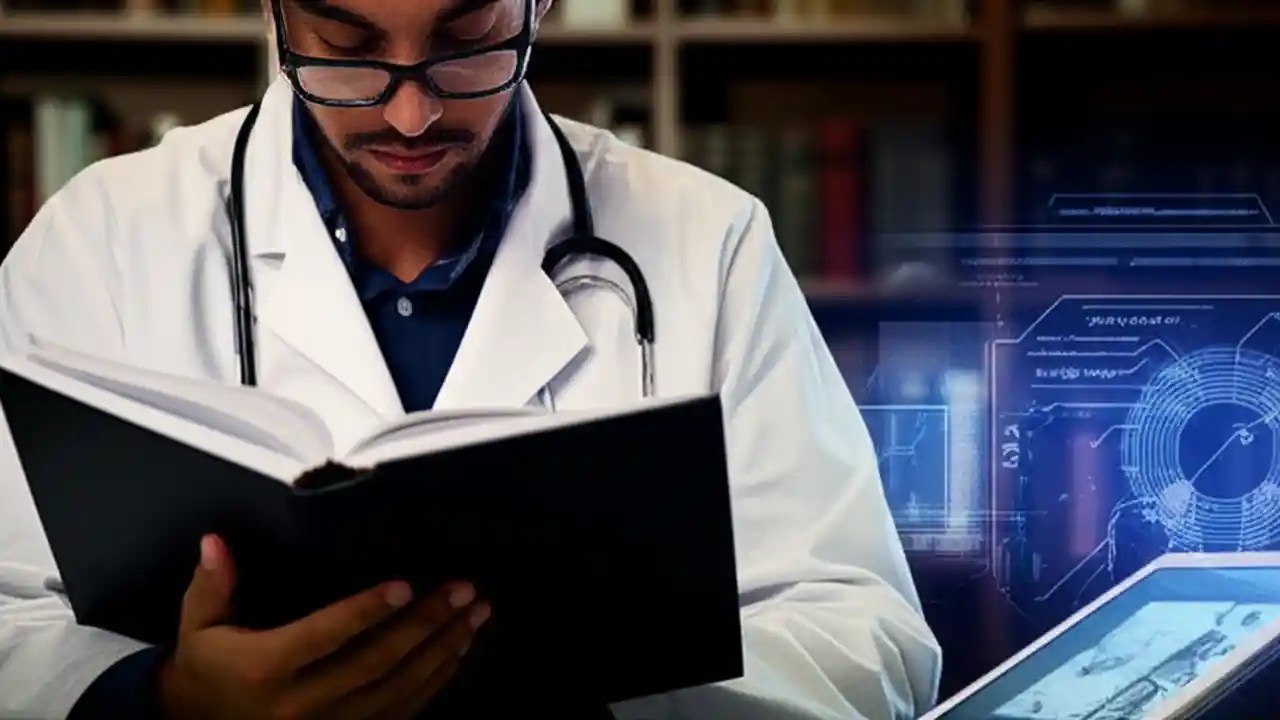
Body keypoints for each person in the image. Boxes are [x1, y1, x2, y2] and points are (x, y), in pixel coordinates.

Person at [0, 0, 942, 717]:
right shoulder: (102, 241)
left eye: (466, 44)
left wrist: (585, 703)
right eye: (349, 47)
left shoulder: (709, 241)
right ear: (276, 14)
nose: (411, 116)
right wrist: (163, 699)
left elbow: (866, 635)